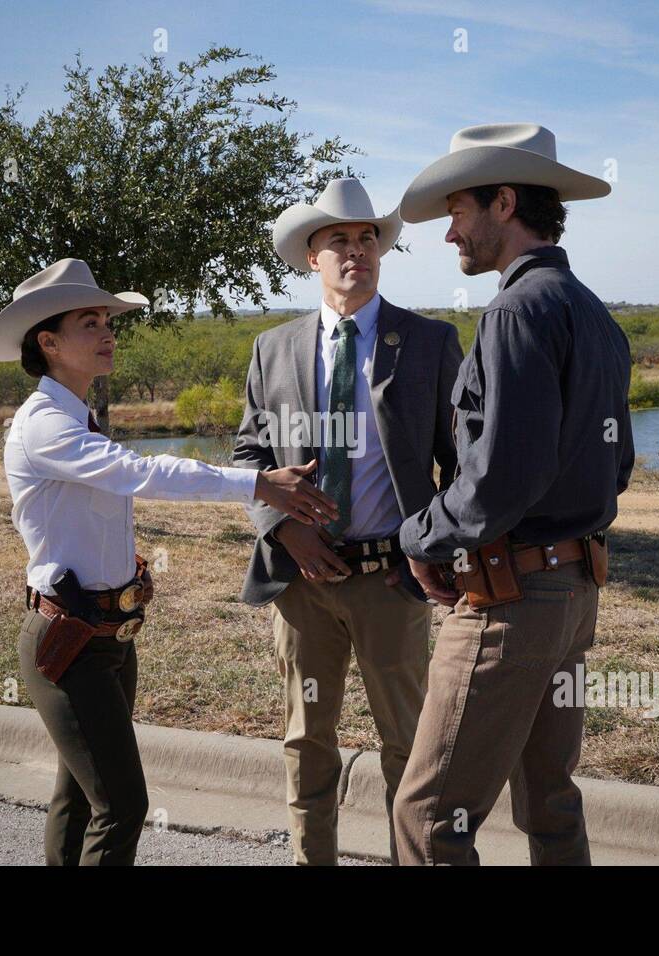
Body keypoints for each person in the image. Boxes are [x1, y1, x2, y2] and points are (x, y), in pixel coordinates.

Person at [0, 257, 338, 866]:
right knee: (121, 806)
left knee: (80, 796)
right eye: (89, 322)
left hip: (107, 637)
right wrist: (257, 484)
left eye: (107, 320)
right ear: (49, 341)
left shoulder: (74, 419)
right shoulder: (44, 426)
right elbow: (142, 473)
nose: (107, 332)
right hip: (67, 643)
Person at [390, 124, 635, 865]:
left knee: (429, 817)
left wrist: (419, 536)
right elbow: (616, 462)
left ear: (504, 202)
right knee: (550, 803)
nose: (448, 234)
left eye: (457, 211)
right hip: (570, 592)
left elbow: (500, 477)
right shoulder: (589, 310)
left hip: (511, 602)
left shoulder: (515, 310)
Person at [234, 179, 463, 864]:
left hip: (392, 581)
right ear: (312, 257)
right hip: (301, 584)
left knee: (409, 745)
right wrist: (281, 528)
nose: (356, 250)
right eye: (339, 239)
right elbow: (249, 454)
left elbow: (460, 465)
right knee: (307, 740)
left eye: (368, 238)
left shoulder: (427, 342)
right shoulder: (273, 349)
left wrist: (426, 552)